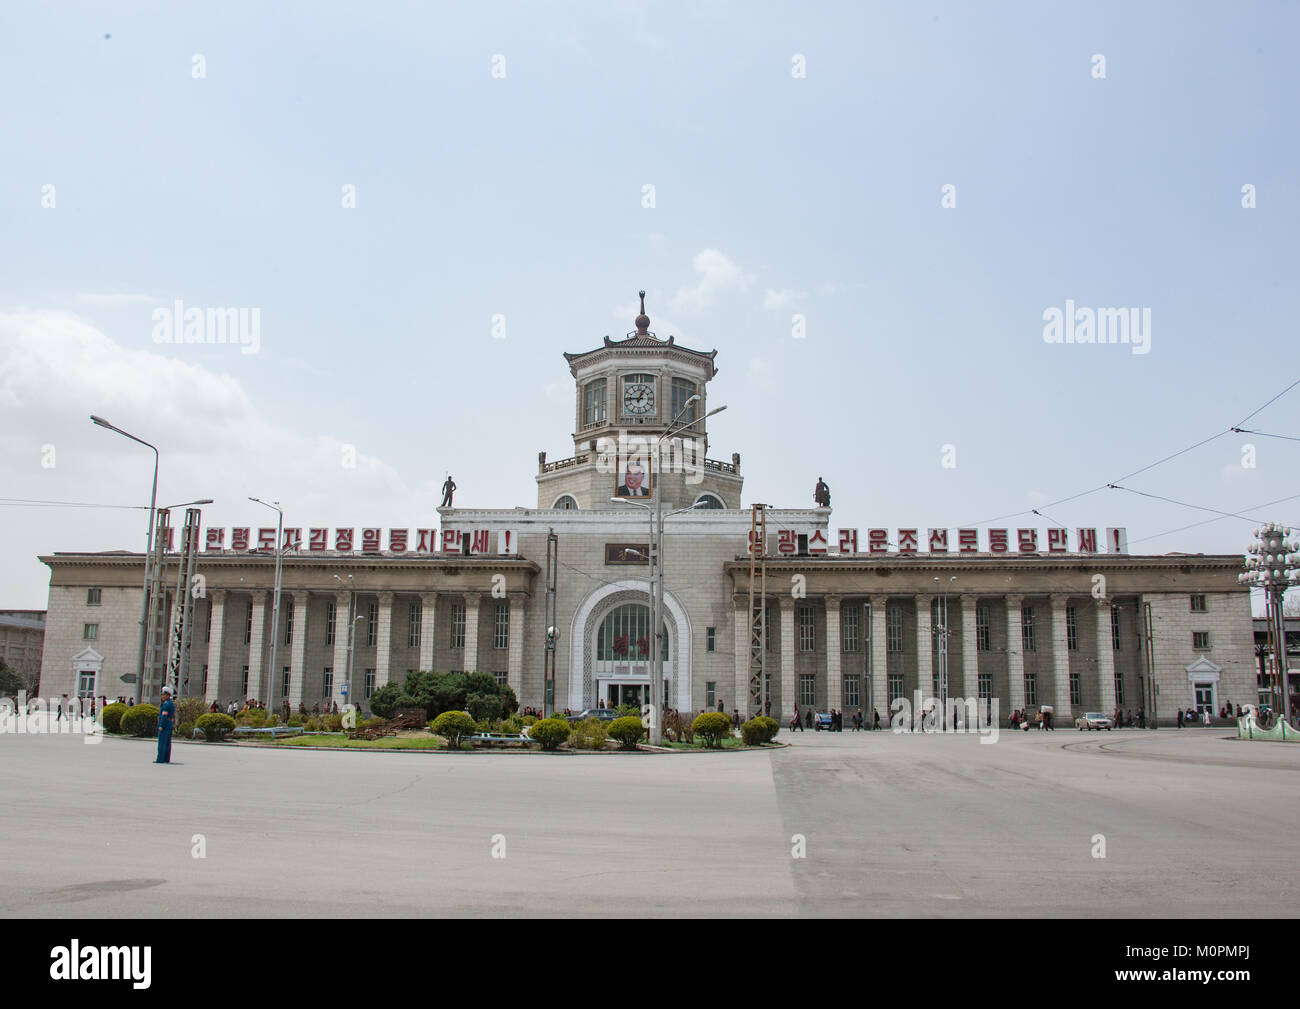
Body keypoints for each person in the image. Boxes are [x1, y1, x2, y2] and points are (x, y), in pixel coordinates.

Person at [156, 686, 175, 764]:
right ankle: (166, 758)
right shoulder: (171, 703)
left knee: (162, 743)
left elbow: (164, 716)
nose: (162, 696)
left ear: (167, 695)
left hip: (165, 724)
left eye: (163, 694)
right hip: (169, 724)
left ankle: (160, 759)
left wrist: (161, 725)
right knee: (167, 743)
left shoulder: (166, 705)